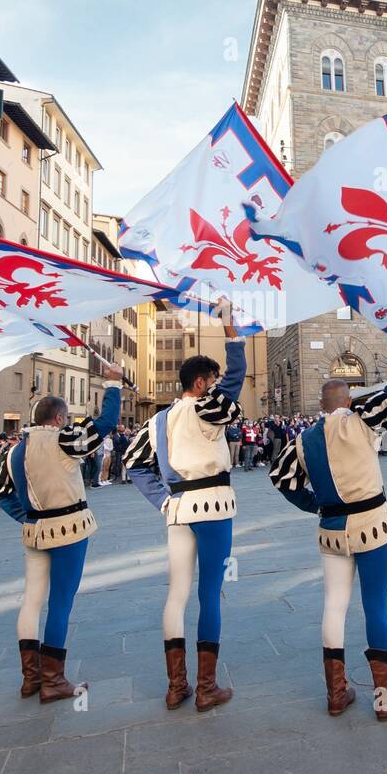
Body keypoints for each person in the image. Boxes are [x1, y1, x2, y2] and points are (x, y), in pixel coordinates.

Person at [269, 333, 387, 720]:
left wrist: (313, 503)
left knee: (334, 606)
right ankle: (386, 698)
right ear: (349, 402)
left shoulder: (303, 438)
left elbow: (280, 477)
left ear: (320, 405)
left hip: (332, 528)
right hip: (373, 524)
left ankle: (336, 694)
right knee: (375, 607)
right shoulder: (363, 422)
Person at [123, 301, 244, 712]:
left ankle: (177, 687)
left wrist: (163, 502)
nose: (216, 385)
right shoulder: (206, 407)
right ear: (199, 382)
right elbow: (235, 382)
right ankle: (206, 689)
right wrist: (232, 330)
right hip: (212, 506)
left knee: (176, 595)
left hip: (178, 510)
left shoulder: (158, 420)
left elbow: (133, 466)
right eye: (211, 379)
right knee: (210, 595)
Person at [0, 363, 123, 703]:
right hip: (68, 529)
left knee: (32, 601)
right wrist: (112, 384)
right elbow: (105, 424)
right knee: (60, 602)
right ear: (60, 418)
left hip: (35, 530)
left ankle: (30, 678)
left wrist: (27, 516)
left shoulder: (14, 450)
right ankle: (53, 680)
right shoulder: (63, 441)